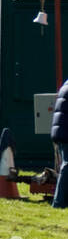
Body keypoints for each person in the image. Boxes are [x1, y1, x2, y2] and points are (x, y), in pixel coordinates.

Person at [52, 77, 68, 209]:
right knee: (67, 166)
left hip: (61, 132)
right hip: (65, 133)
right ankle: (59, 201)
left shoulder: (65, 86)